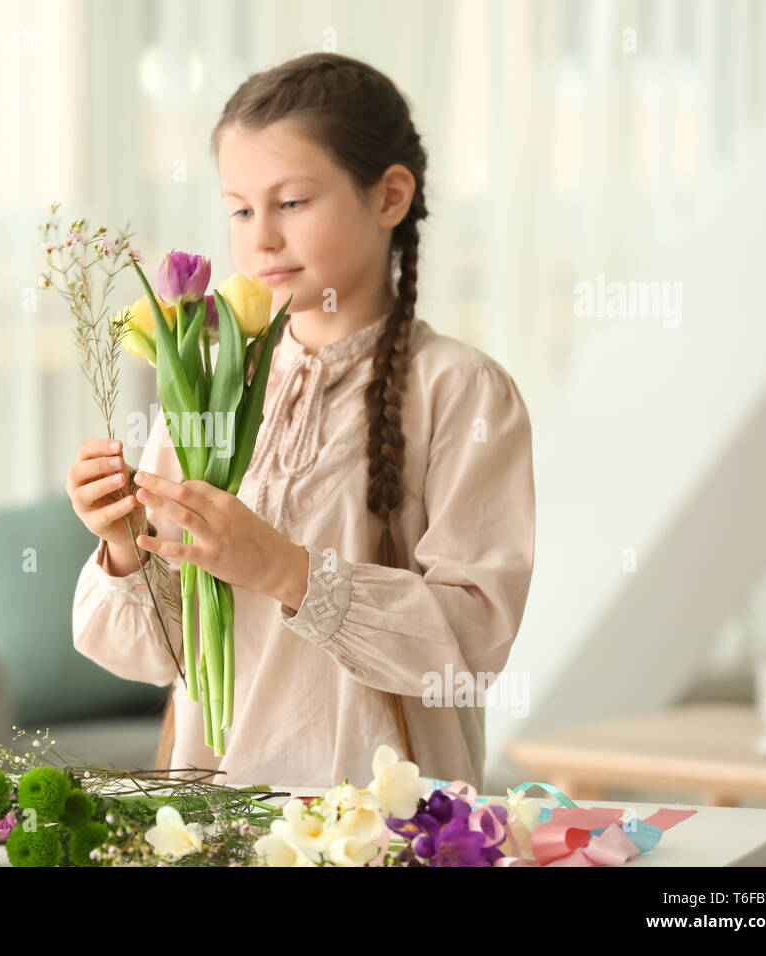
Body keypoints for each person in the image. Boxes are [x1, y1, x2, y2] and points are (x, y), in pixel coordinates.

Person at [65, 52, 535, 792]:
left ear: (389, 197)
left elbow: (471, 647)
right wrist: (122, 544)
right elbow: (150, 654)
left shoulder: (463, 391)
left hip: (384, 823)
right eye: (242, 209)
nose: (262, 239)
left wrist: (284, 570)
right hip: (212, 820)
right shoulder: (206, 381)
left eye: (292, 203)